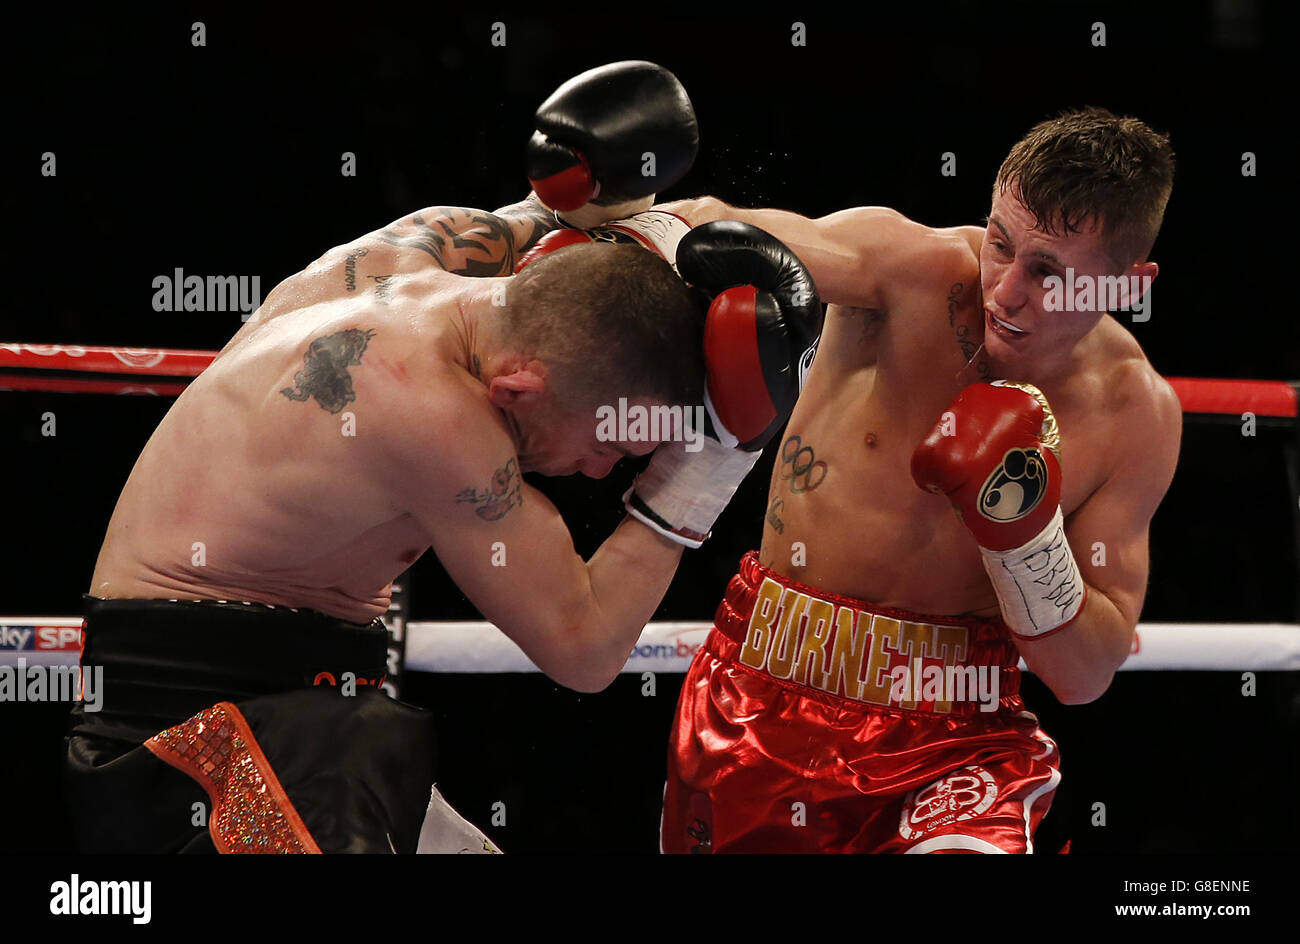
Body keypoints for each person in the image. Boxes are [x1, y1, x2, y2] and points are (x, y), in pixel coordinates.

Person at [66, 61, 822, 854]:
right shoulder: (431, 415)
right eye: (614, 443)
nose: (602, 472)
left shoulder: (408, 262)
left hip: (286, 721)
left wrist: (606, 199)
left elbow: (551, 235)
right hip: (198, 744)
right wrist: (717, 458)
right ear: (521, 389)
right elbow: (588, 645)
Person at [656, 107, 1181, 853]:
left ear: (1129, 285)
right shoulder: (909, 272)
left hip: (958, 740)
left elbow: (1085, 673)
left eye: (1049, 273)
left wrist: (1024, 536)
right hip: (760, 699)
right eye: (1001, 244)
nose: (1005, 291)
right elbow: (715, 225)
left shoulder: (1137, 414)